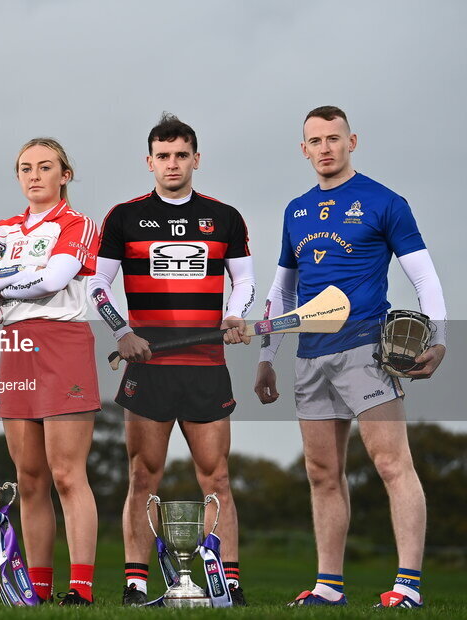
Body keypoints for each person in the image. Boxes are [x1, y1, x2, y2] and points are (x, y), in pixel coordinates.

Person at [255, 106, 447, 609]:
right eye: (315, 140)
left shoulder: (385, 202)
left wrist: (441, 337)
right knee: (321, 471)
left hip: (366, 349)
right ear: (304, 149)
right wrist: (267, 355)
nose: (325, 148)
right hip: (310, 356)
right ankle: (328, 587)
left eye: (334, 138)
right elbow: (283, 289)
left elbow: (424, 277)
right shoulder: (295, 210)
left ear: (351, 141)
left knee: (390, 463)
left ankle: (407, 587)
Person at [88, 113, 254, 606]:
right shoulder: (123, 217)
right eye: (163, 156)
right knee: (143, 475)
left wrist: (234, 313)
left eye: (181, 155)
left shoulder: (225, 217)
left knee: (216, 476)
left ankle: (229, 583)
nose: (172, 164)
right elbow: (98, 285)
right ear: (149, 161)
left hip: (206, 363)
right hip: (149, 364)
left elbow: (242, 282)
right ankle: (136, 582)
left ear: (196, 159)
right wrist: (122, 331)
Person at [0, 137, 102, 606]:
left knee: (67, 474)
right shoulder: (3, 228)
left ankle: (80, 589)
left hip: (63, 345)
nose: (35, 175)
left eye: (46, 167)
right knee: (29, 478)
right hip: (15, 346)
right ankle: (37, 590)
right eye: (25, 168)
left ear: (65, 174)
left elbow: (54, 280)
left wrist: (3, 281)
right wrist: (25, 276)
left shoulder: (78, 223)